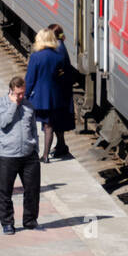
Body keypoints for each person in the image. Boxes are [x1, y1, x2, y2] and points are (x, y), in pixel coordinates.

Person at [0, 75, 40, 234]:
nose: (21, 97)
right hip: (8, 156)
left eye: (23, 93)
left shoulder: (28, 105)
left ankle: (30, 220)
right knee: (4, 191)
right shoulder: (1, 104)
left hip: (29, 155)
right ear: (11, 91)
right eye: (18, 94)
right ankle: (7, 223)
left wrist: (35, 148)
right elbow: (3, 123)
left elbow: (33, 128)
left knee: (32, 190)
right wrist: (13, 105)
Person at [24, 27, 75, 163]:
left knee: (30, 123)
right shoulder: (58, 56)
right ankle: (45, 155)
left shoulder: (35, 57)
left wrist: (25, 95)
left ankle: (31, 152)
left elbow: (30, 79)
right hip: (53, 97)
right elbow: (62, 75)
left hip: (38, 97)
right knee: (49, 126)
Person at [46, 23, 77, 159]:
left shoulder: (58, 48)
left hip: (60, 89)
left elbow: (57, 68)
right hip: (62, 87)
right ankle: (61, 145)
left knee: (56, 120)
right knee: (59, 119)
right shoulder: (59, 45)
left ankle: (60, 146)